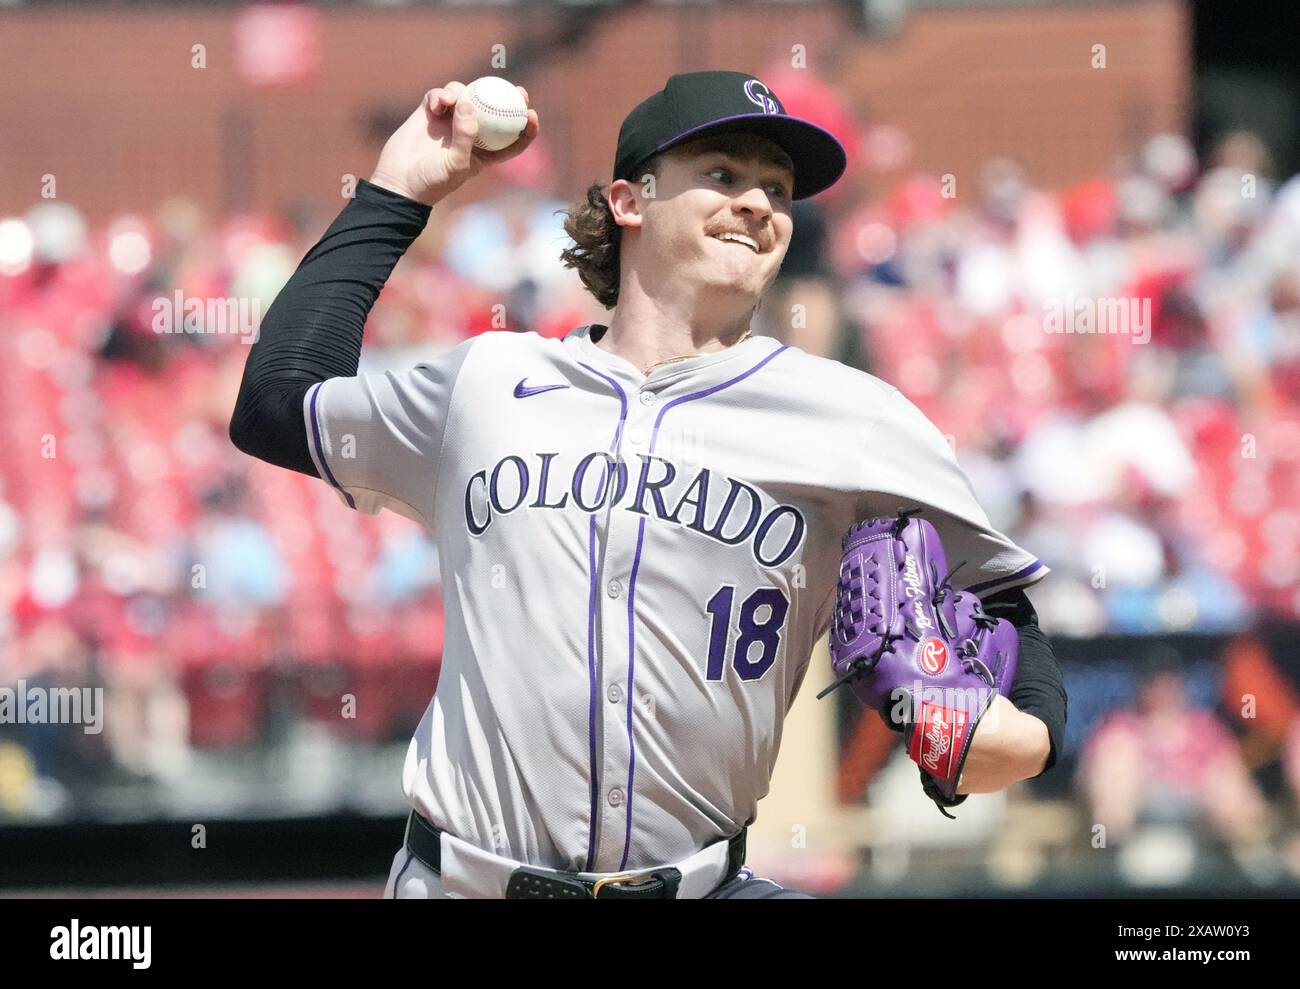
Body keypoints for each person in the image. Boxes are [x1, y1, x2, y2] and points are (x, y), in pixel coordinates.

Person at [229, 71, 1067, 899]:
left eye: (776, 190)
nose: (758, 204)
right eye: (723, 175)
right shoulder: (489, 382)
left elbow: (1004, 606)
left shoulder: (854, 419)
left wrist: (1026, 739)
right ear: (630, 202)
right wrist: (397, 191)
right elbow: (275, 404)